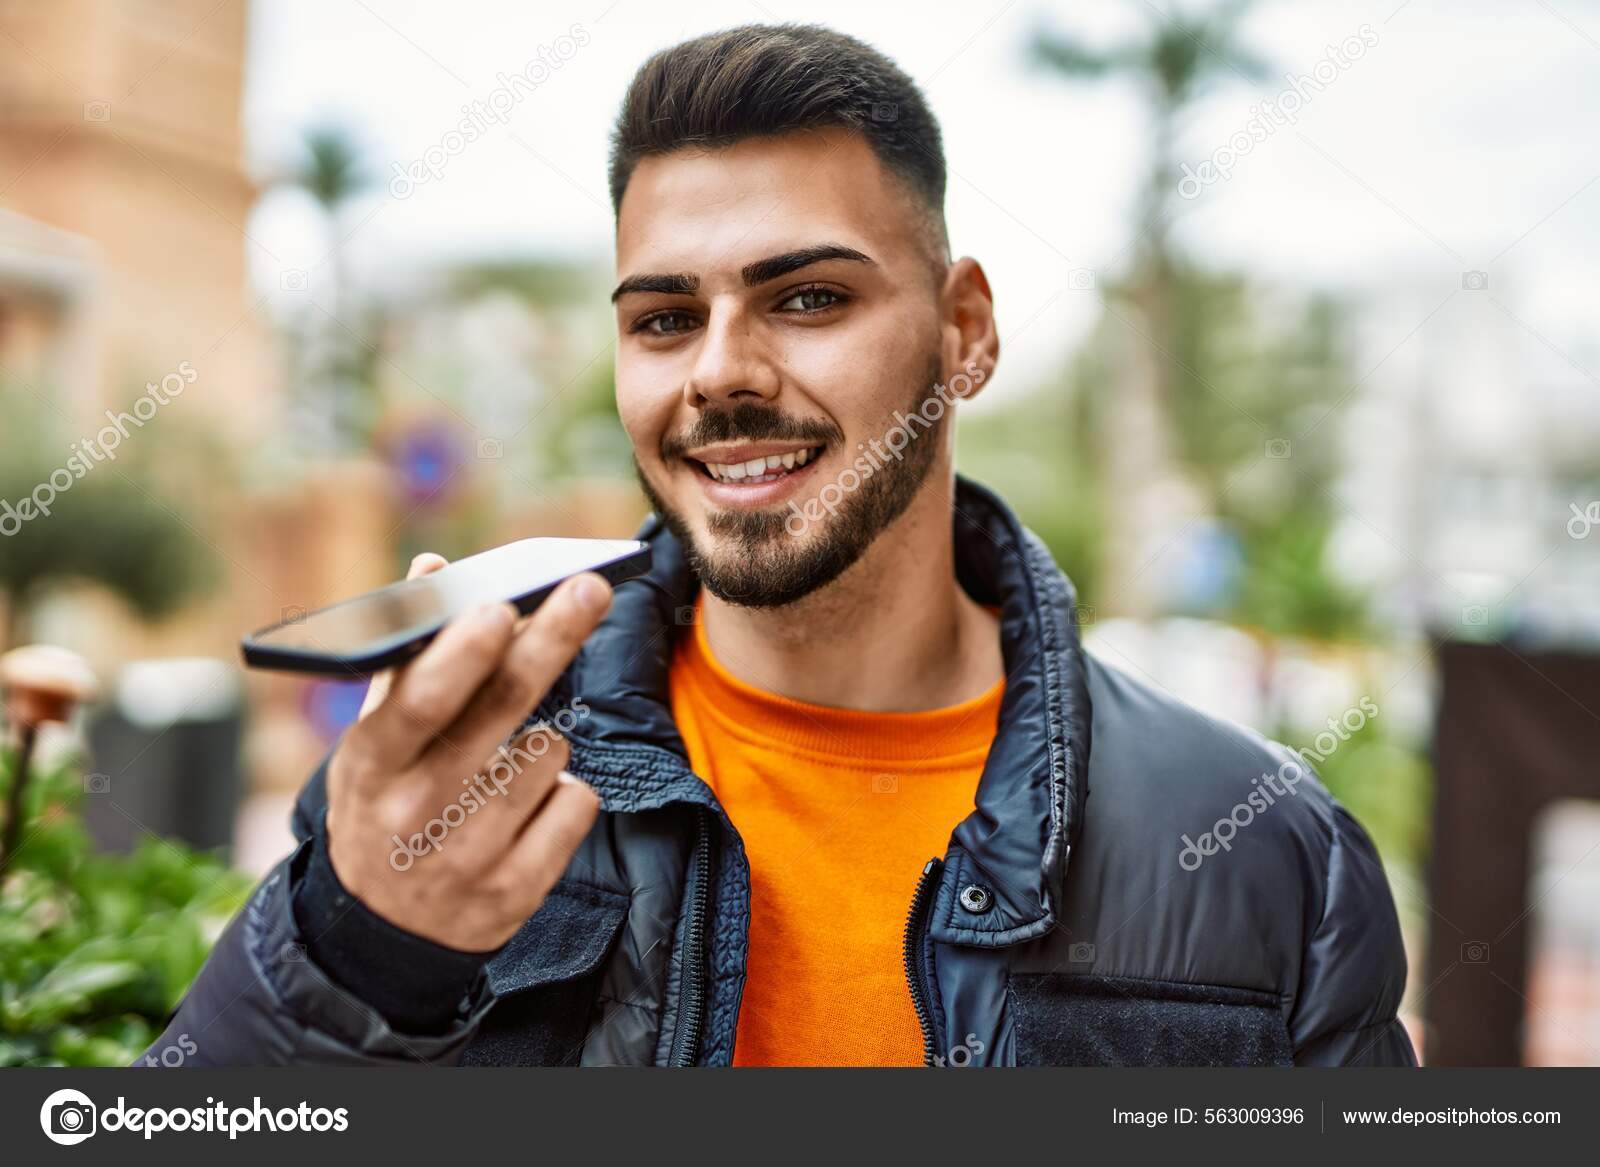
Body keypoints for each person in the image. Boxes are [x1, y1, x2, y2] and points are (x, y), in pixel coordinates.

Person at [145, 23, 1414, 1067]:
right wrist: (357, 950)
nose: (719, 373)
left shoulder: (1267, 857)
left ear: (965, 331)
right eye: (662, 318)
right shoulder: (444, 783)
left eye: (807, 298)